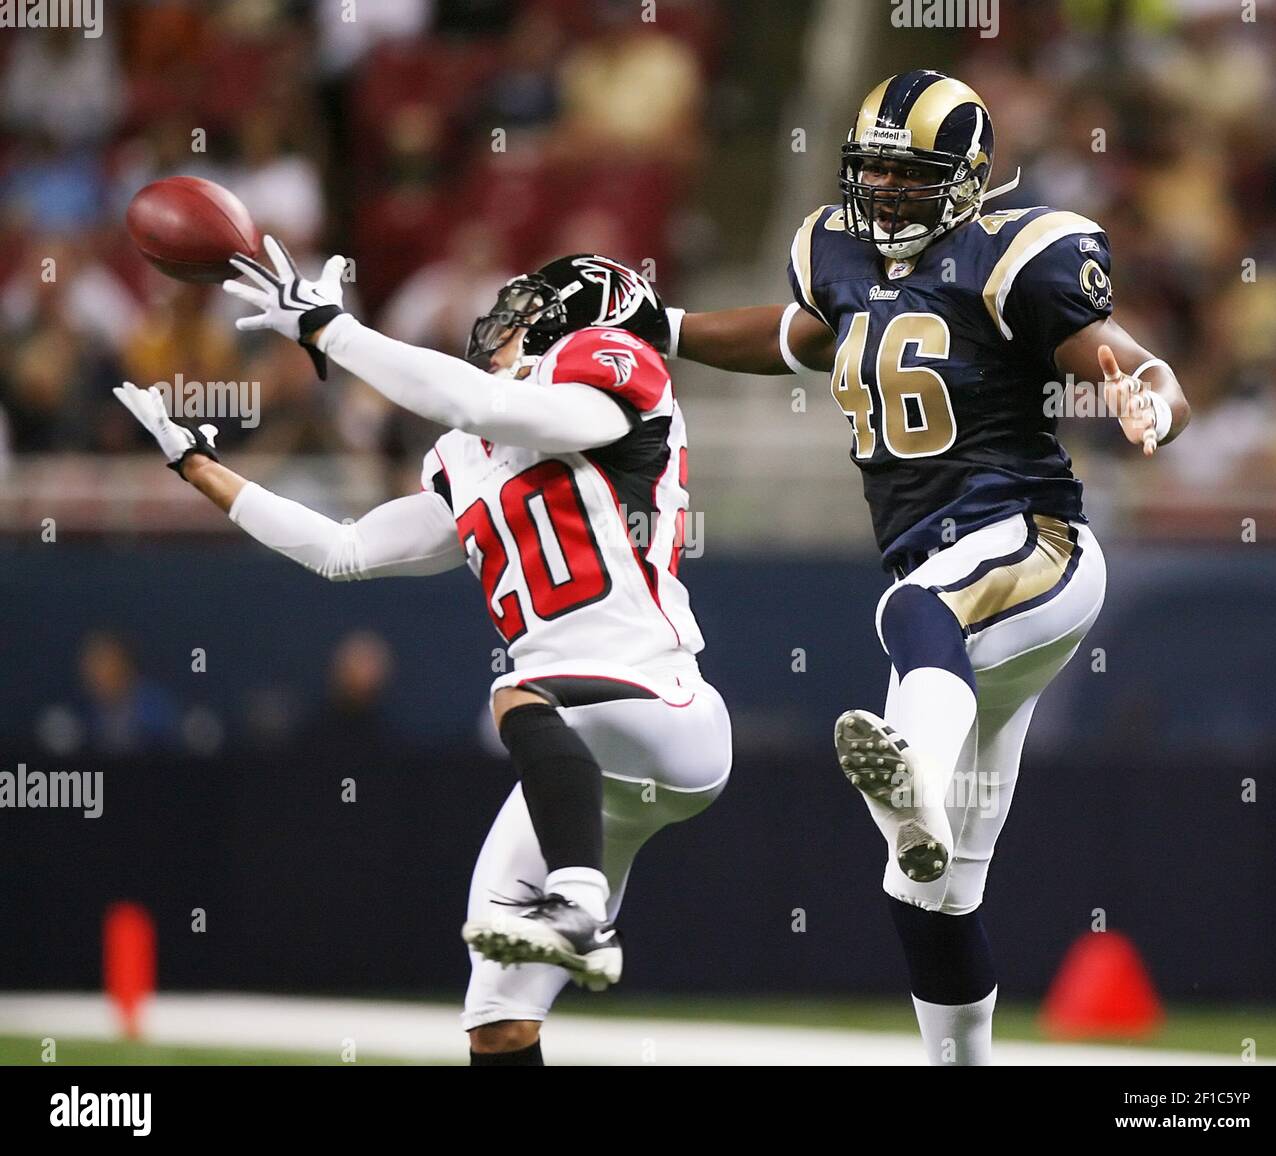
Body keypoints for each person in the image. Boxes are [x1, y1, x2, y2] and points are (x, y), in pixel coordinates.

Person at [662, 70, 1190, 1065]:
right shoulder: (838, 256)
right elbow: (796, 339)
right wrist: (666, 329)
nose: (888, 193)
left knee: (913, 610)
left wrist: (1152, 403)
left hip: (1033, 545)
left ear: (968, 175)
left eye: (912, 175)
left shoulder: (1014, 255)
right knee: (929, 893)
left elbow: (1127, 357)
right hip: (961, 607)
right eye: (874, 172)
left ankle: (908, 785)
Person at [114, 248, 731, 1067]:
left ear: (578, 319)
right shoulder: (466, 458)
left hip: (660, 704)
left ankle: (581, 908)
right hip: (579, 759)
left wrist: (332, 330)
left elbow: (475, 401)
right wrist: (202, 469)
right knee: (495, 1020)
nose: (504, 320)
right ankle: (574, 908)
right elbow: (343, 549)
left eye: (530, 306)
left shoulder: (614, 372)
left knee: (514, 693)